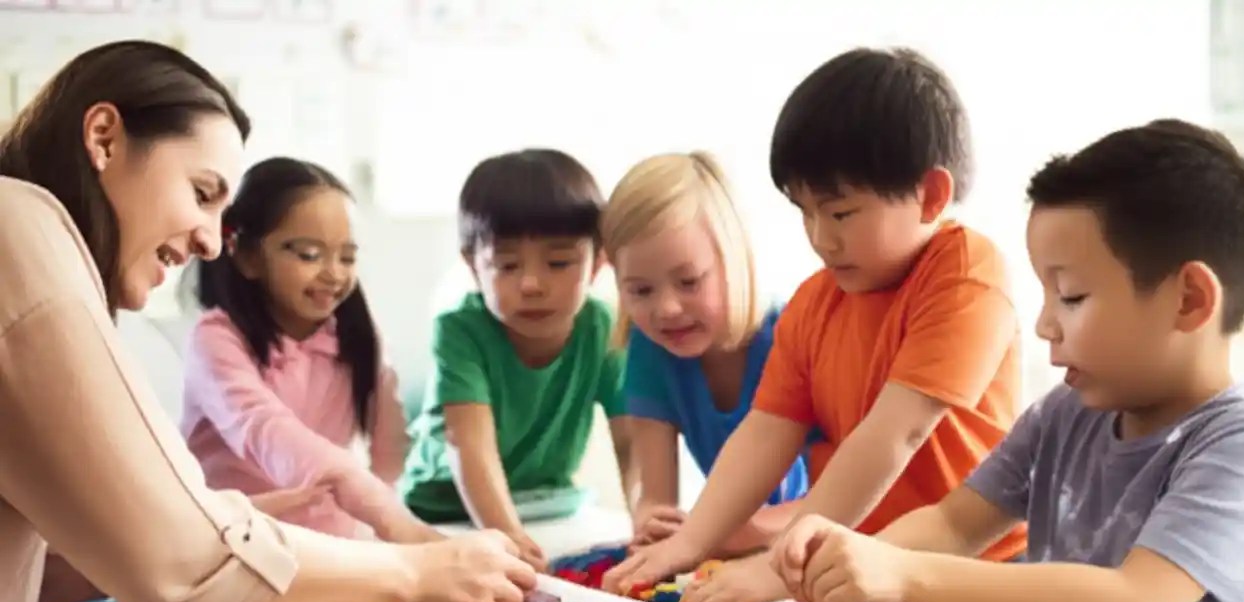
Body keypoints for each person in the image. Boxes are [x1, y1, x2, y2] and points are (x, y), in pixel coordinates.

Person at [0, 40, 533, 602]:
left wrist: (234, 522)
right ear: (105, 138)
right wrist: (414, 571)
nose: (206, 239)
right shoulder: (17, 232)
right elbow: (182, 559)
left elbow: (72, 548)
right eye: (201, 193)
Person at [775, 119, 1244, 602]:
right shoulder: (1066, 413)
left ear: (1189, 301)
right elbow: (952, 525)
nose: (1044, 324)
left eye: (1072, 296)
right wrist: (849, 558)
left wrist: (903, 574)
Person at [603, 47, 1024, 602]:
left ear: (930, 196)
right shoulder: (815, 301)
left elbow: (895, 434)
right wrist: (690, 541)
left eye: (840, 213)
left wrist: (779, 570)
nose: (820, 237)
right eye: (804, 212)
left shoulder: (967, 274)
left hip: (975, 569)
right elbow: (764, 433)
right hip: (856, 565)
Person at [401, 149, 631, 571]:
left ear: (599, 261)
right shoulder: (460, 329)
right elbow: (468, 443)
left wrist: (646, 517)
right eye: (506, 265)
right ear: (473, 266)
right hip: (444, 510)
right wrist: (506, 534)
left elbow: (632, 436)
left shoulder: (602, 325)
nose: (530, 284)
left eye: (559, 262)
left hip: (548, 503)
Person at [184, 156, 434, 543]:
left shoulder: (358, 338)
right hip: (241, 541)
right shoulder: (216, 340)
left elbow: (389, 452)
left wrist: (390, 522)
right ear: (248, 256)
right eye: (309, 255)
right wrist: (387, 518)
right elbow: (267, 431)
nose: (333, 273)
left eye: (347, 257)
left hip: (335, 540)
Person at [600, 151, 809, 560]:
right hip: (740, 549)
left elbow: (864, 495)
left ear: (735, 261)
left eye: (689, 281)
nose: (667, 309)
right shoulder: (650, 350)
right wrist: (651, 517)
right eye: (641, 290)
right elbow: (653, 490)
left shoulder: (795, 338)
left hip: (829, 545)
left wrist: (749, 527)